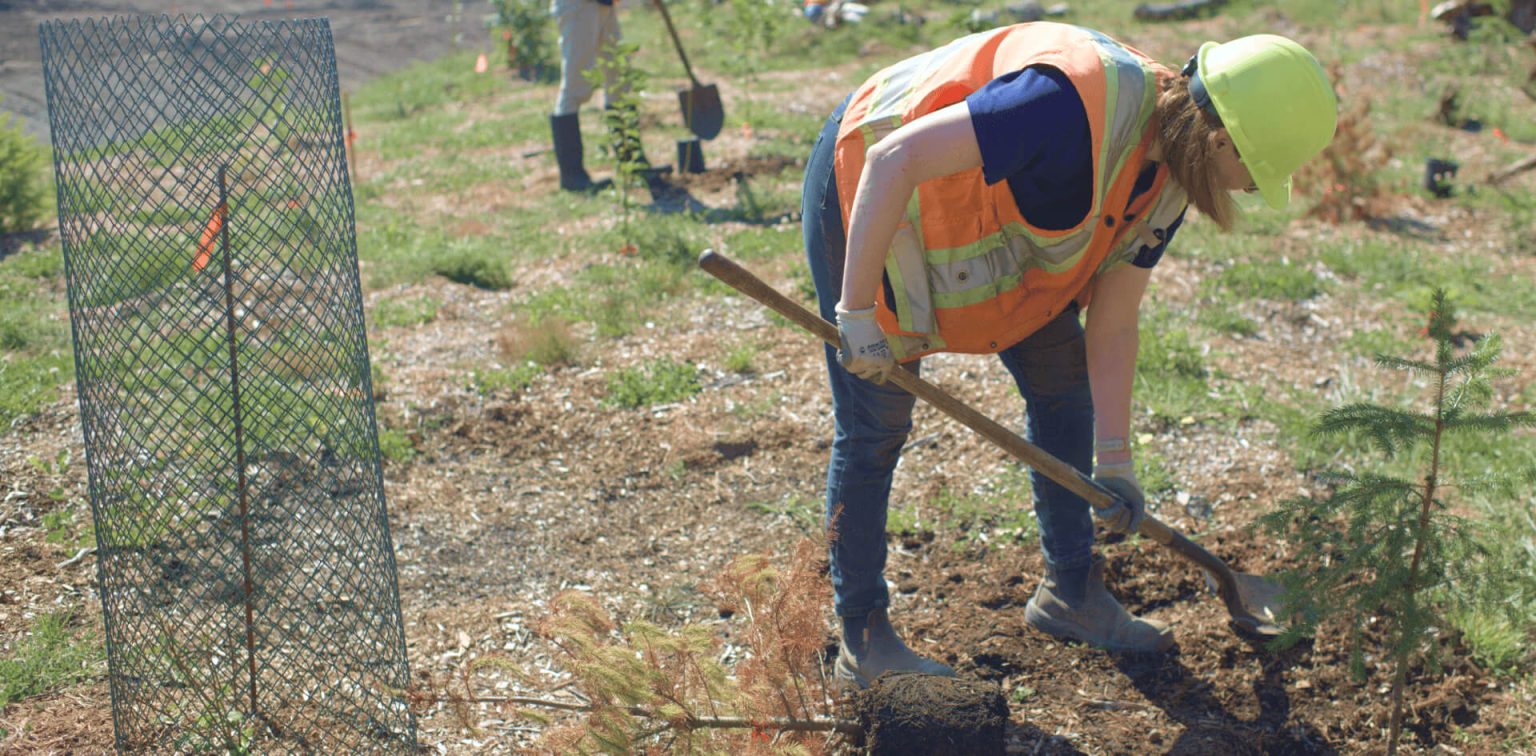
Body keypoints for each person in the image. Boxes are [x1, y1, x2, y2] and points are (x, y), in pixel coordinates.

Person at [800, 22, 1337, 688]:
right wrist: (854, 313)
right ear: (1223, 141)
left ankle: (1071, 592)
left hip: (993, 235)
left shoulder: (1172, 175)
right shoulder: (1070, 101)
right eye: (1252, 180)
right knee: (877, 425)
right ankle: (865, 637)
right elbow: (893, 162)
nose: (1243, 194)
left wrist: (1116, 461)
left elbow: (1113, 322)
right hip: (872, 190)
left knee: (1062, 382)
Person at [548, 0, 665, 192]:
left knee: (619, 80)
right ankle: (572, 176)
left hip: (601, 5)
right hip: (578, 6)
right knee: (576, 83)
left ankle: (632, 162)